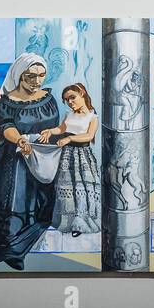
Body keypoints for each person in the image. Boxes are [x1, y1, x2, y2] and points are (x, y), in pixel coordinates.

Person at [0, 57, 59, 269]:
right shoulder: (6, 103)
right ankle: (11, 250)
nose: (37, 81)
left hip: (42, 157)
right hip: (13, 159)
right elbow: (6, 128)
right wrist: (21, 140)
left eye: (41, 75)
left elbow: (54, 127)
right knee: (13, 203)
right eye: (31, 76)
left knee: (42, 205)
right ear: (19, 75)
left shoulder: (49, 99)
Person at [41, 82, 101, 236]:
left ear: (82, 93)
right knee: (67, 187)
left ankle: (81, 222)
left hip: (82, 156)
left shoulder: (92, 116)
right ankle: (68, 221)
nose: (70, 102)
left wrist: (69, 140)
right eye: (66, 100)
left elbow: (89, 136)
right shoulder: (69, 114)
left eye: (72, 97)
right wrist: (50, 131)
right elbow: (62, 129)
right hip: (67, 155)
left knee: (81, 187)